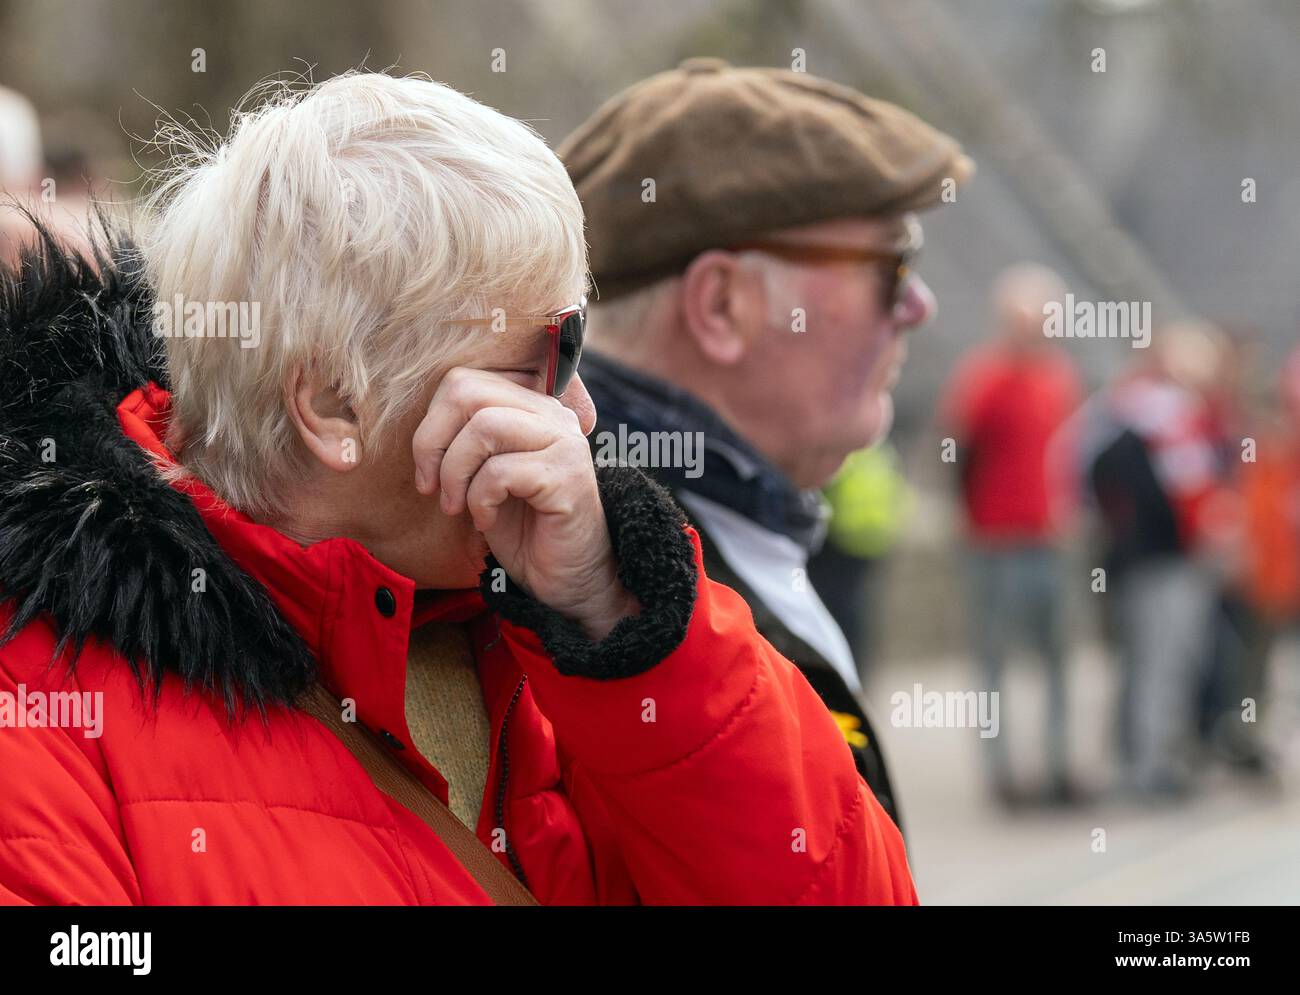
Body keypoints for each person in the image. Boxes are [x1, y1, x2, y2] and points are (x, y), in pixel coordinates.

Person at [0, 71, 917, 905]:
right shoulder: (38, 713)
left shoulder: (552, 626)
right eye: (545, 360)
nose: (584, 415)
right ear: (333, 404)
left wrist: (621, 622)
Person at [561, 58, 975, 829]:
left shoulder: (691, 536)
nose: (919, 304)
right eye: (892, 266)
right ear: (721, 305)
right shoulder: (614, 593)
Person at [940, 264, 1083, 806]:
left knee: (1057, 658)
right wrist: (971, 518)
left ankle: (1057, 764)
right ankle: (1001, 772)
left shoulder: (1058, 376)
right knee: (994, 659)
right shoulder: (984, 377)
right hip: (996, 538)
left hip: (1047, 534)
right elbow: (960, 453)